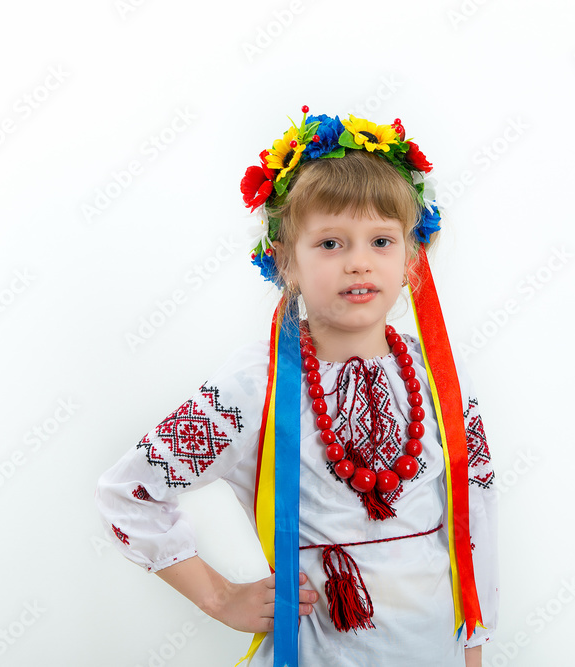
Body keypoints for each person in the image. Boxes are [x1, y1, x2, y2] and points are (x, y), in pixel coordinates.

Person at [94, 107, 498, 666]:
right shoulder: (251, 390)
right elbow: (127, 493)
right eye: (331, 244)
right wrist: (220, 597)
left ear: (411, 256)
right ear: (285, 260)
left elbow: (474, 518)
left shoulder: (442, 384)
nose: (359, 263)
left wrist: (471, 651)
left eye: (380, 241)